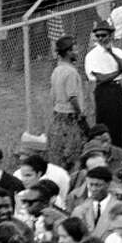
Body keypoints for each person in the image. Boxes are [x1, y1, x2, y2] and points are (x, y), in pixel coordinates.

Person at [84, 21, 122, 147]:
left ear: (110, 35)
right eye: (97, 36)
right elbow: (100, 78)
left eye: (103, 35)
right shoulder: (92, 55)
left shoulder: (118, 52)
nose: (100, 39)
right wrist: (118, 71)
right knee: (105, 126)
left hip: (117, 90)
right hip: (103, 92)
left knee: (119, 125)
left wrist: (111, 53)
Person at [48, 35, 86, 171]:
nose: (77, 52)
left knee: (60, 149)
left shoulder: (57, 70)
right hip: (70, 115)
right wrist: (80, 114)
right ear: (69, 52)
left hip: (58, 114)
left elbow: (52, 94)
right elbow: (72, 97)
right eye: (75, 50)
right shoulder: (70, 72)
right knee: (73, 151)